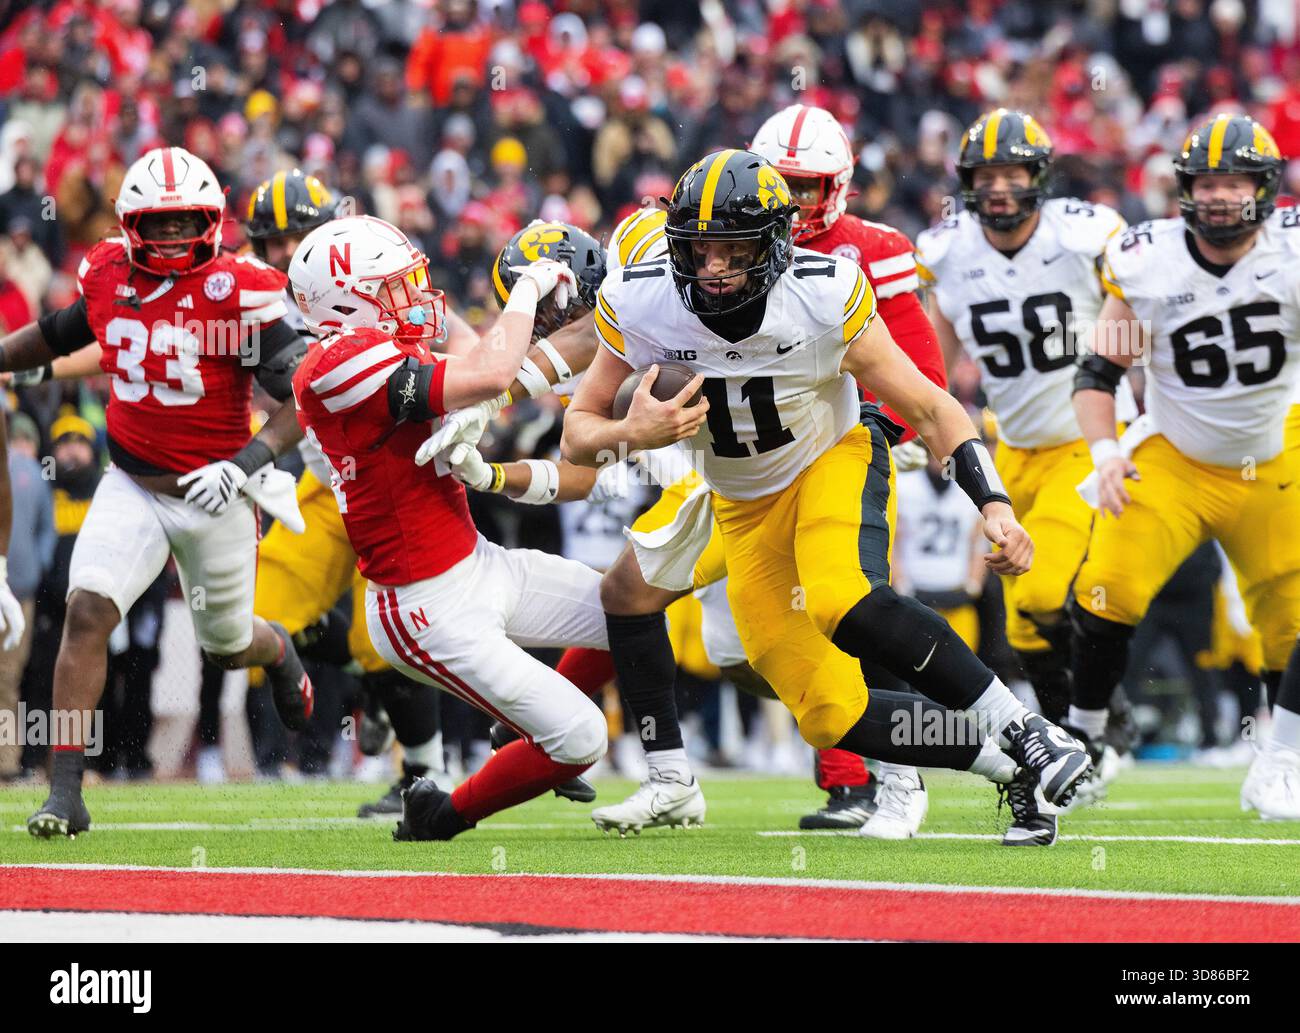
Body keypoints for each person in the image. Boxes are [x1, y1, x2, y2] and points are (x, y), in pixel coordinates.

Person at [562, 149, 1094, 842]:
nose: (714, 266)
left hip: (831, 457)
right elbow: (578, 432)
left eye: (733, 247)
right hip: (743, 504)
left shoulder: (822, 291)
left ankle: (1022, 725)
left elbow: (933, 409)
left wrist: (992, 503)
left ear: (775, 242)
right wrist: (634, 430)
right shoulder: (644, 297)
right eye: (699, 249)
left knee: (840, 596)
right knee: (828, 714)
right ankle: (1009, 763)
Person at [0, 147, 315, 837]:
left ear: (208, 221)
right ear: (130, 225)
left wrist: (248, 460)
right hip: (132, 483)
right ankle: (65, 791)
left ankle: (279, 650)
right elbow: (56, 334)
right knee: (86, 609)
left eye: (184, 223)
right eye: (159, 224)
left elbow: (304, 397)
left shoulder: (240, 289)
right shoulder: (111, 274)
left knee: (228, 644)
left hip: (217, 490)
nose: (172, 237)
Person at [289, 214, 615, 841]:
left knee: (628, 609)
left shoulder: (382, 337)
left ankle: (519, 729)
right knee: (582, 738)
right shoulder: (333, 363)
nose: (412, 298)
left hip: (478, 562)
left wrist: (610, 315)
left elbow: (518, 363)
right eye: (393, 287)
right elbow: (490, 372)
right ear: (346, 301)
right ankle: (438, 817)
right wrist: (523, 293)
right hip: (422, 604)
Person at [1070, 114, 1300, 820]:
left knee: (1291, 623)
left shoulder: (1292, 252)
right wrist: (1106, 453)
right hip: (1176, 453)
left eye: (1236, 182)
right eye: (1210, 182)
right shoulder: (1148, 259)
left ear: (1264, 190)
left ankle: (1283, 760)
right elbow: (1097, 371)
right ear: (1186, 189)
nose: (1223, 195)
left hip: (1275, 446)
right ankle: (1080, 745)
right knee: (1107, 588)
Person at [916, 111, 1135, 811]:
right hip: (1010, 446)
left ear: (1038, 177)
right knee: (1015, 624)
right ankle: (1092, 727)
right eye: (987, 176)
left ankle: (1086, 733)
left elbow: (1137, 306)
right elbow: (936, 364)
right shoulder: (946, 253)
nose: (1000, 187)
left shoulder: (1087, 235)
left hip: (1082, 439)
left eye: (1013, 173)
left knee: (1041, 594)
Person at [752, 103, 950, 835]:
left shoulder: (873, 250)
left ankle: (879, 779)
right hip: (742, 465)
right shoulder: (722, 244)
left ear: (837, 186)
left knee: (852, 611)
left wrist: (862, 433)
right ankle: (655, 766)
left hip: (836, 456)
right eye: (781, 184)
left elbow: (923, 375)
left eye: (808, 187)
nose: (795, 201)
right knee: (639, 591)